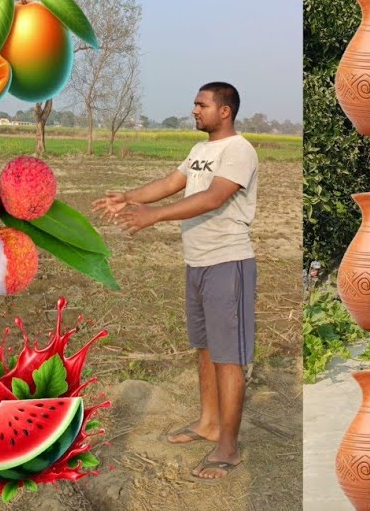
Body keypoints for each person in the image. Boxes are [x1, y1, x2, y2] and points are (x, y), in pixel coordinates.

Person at [92, 82, 259, 482]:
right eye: (195, 104)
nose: (194, 110)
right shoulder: (200, 151)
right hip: (197, 262)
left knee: (229, 356)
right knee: (205, 347)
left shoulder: (238, 150)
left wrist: (153, 216)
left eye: (202, 105)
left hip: (227, 262)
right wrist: (129, 198)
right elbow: (171, 183)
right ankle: (208, 424)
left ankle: (229, 449)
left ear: (225, 111)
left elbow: (214, 198)